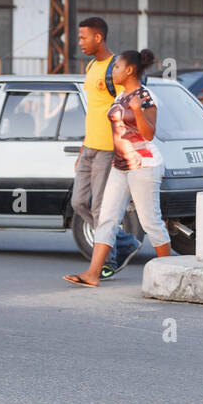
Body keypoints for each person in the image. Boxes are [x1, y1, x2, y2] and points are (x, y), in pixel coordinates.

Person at [64, 49, 172, 287]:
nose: (113, 71)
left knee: (150, 222)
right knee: (106, 218)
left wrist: (136, 110)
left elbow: (149, 134)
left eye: (117, 67)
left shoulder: (144, 96)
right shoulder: (120, 96)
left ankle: (171, 274)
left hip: (143, 165)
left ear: (130, 70)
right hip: (119, 165)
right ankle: (93, 273)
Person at [72, 17, 140, 279]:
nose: (80, 42)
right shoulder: (91, 65)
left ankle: (106, 261)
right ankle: (124, 242)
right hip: (89, 147)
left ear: (98, 38)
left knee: (101, 208)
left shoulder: (115, 68)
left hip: (108, 150)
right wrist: (81, 149)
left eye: (83, 37)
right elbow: (94, 110)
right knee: (79, 202)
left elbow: (127, 104)